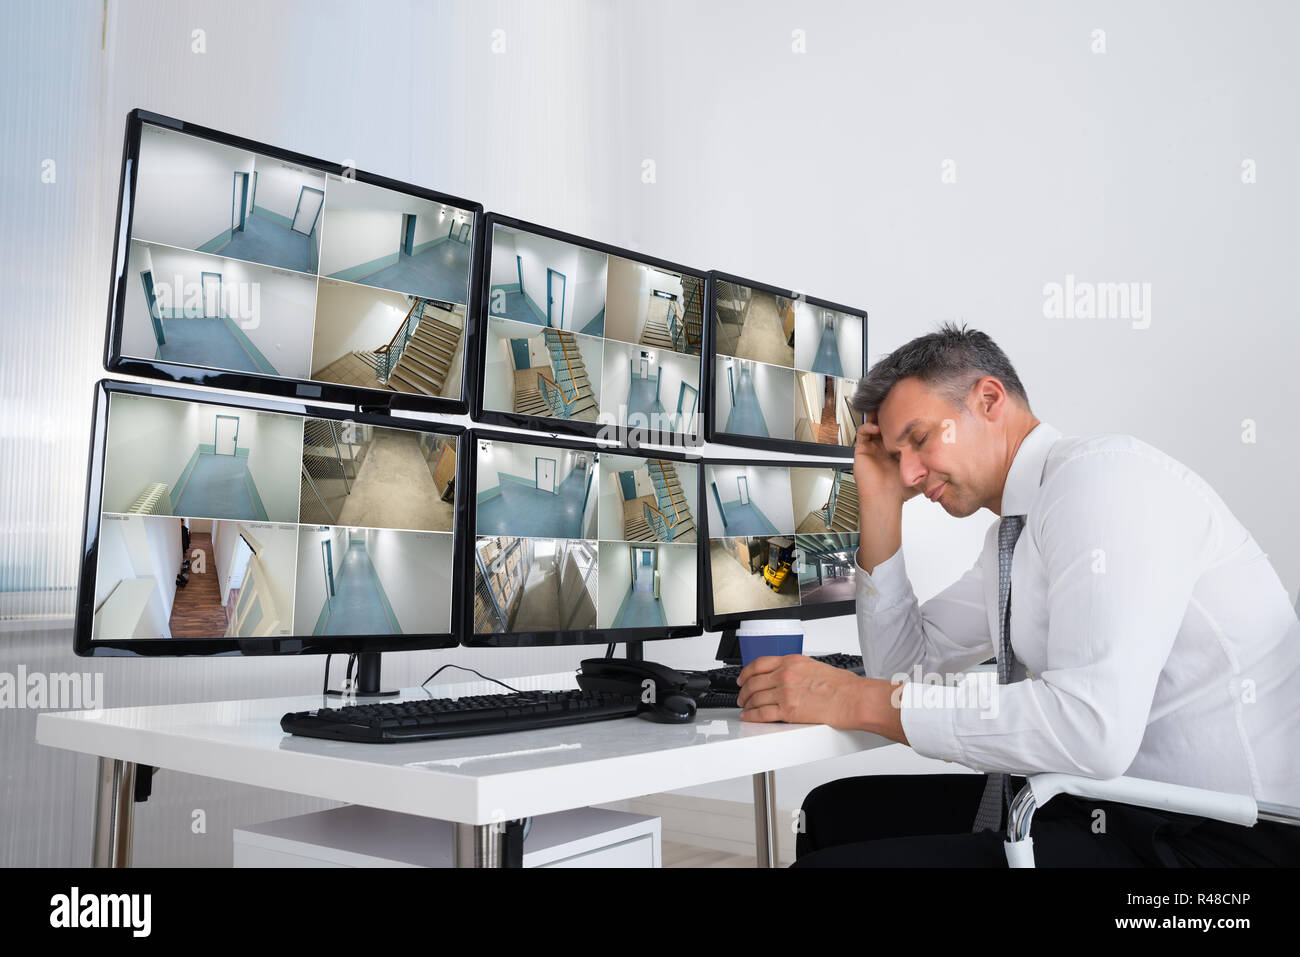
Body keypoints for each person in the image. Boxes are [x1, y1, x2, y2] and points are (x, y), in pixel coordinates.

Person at [736, 323, 1300, 866]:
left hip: (1219, 842)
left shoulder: (1104, 482)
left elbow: (1092, 729)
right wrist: (880, 507)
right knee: (831, 814)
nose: (907, 471)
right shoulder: (1012, 537)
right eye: (895, 456)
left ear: (988, 399)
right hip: (1109, 806)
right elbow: (902, 670)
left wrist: (854, 698)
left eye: (921, 440)